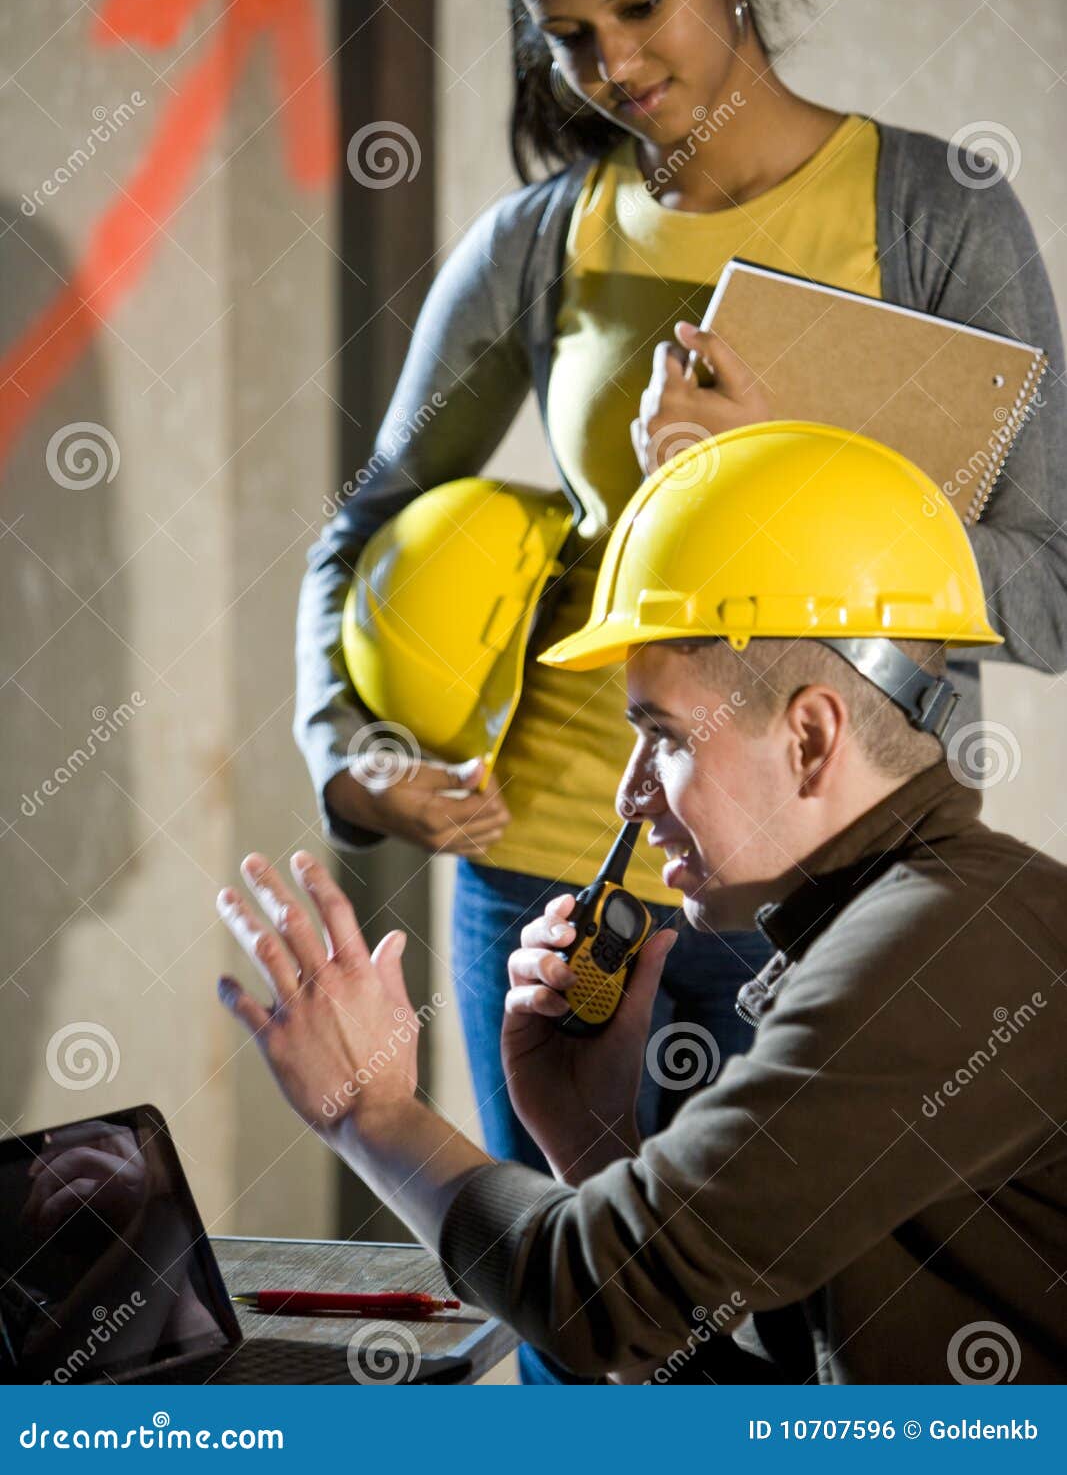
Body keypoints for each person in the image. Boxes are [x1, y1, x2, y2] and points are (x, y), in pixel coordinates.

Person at [293, 0, 1067, 1295]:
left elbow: (1049, 587)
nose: (611, 68)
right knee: (568, 1304)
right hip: (554, 878)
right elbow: (367, 515)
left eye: (639, 7)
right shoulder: (537, 241)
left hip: (830, 879)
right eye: (567, 37)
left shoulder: (931, 210)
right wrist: (349, 750)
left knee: (828, 1332)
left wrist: (773, 481)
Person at [227, 423, 1067, 1384]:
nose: (629, 796)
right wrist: (594, 1145)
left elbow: (603, 1302)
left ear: (808, 740)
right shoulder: (909, 925)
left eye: (664, 737)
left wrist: (372, 1115)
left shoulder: (934, 957)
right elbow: (745, 1387)